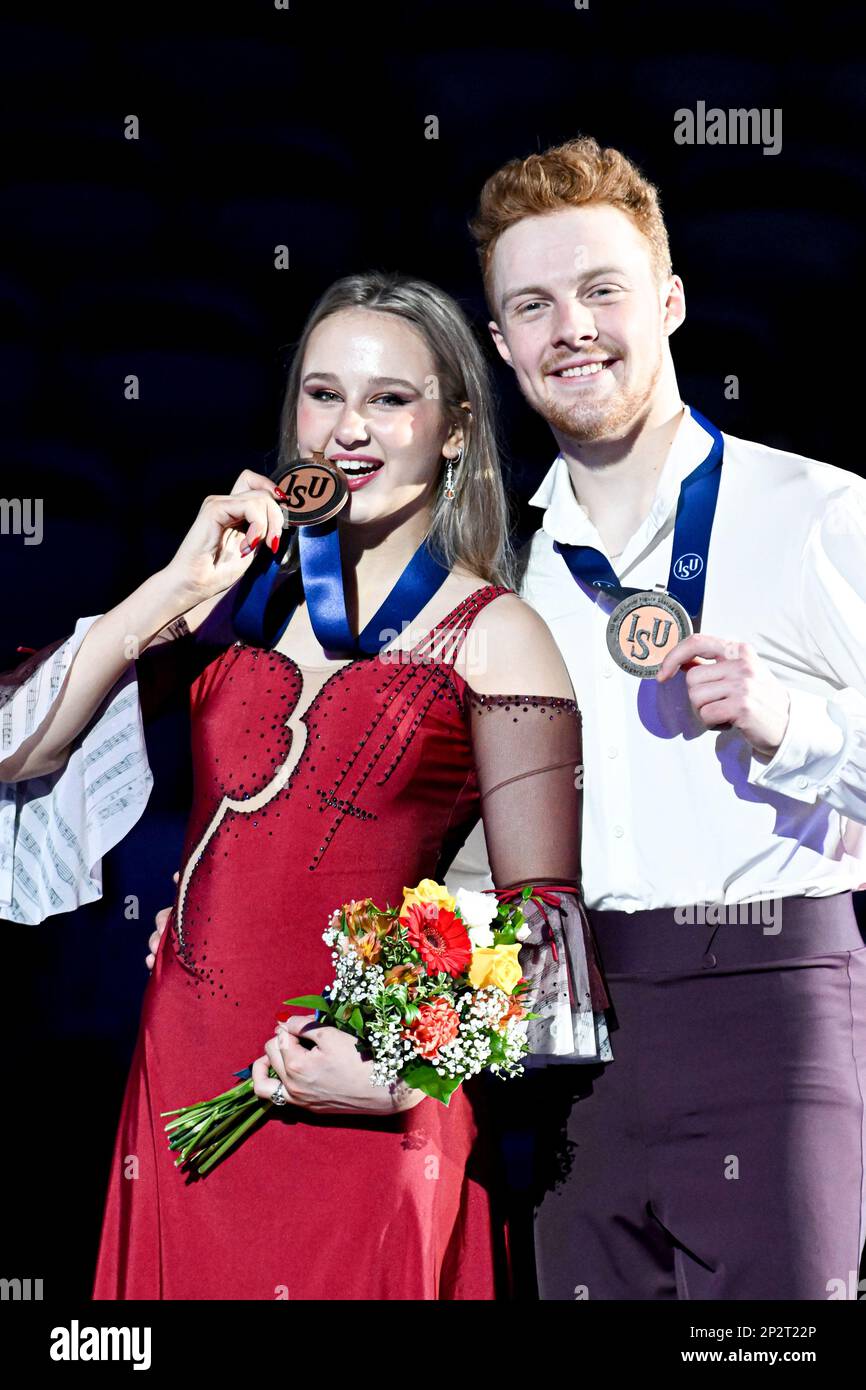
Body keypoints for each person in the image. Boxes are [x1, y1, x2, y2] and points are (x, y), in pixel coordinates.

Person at [0, 271, 610, 1300]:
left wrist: (399, 1068)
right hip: (184, 1083)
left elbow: (544, 923)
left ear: (454, 428)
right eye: (322, 395)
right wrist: (174, 587)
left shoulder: (498, 632)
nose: (347, 430)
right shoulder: (231, 603)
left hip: (366, 1106)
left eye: (388, 398)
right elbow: (18, 753)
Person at [445, 135, 866, 1301]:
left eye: (598, 290)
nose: (568, 326)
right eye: (531, 304)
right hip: (569, 1037)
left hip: (768, 1005)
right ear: (500, 344)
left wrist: (791, 720)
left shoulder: (818, 511)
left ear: (668, 300)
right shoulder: (504, 577)